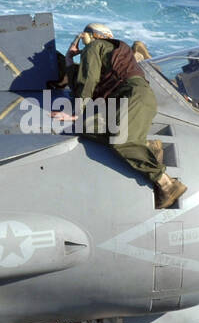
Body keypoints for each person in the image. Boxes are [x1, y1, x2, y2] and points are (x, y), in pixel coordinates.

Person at [53, 23, 187, 209]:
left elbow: (88, 80)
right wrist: (69, 60)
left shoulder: (94, 47)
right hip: (131, 99)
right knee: (86, 126)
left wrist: (75, 110)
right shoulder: (114, 52)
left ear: (91, 36)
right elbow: (87, 84)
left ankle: (167, 184)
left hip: (132, 96)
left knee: (121, 140)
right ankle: (148, 148)